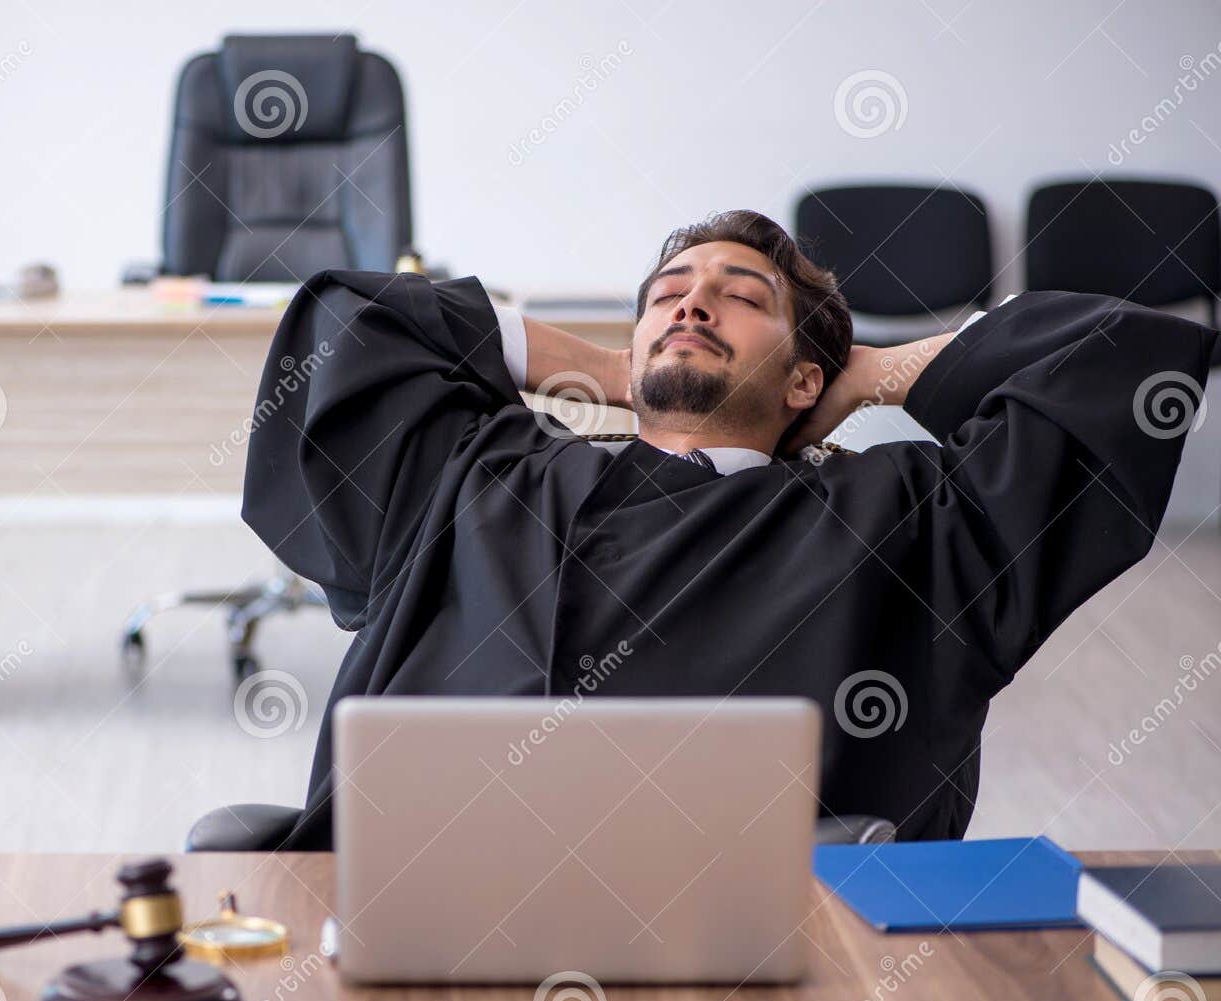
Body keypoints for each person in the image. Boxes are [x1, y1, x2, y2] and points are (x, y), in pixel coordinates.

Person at [241, 209, 1217, 851]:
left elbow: (1115, 356)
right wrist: (620, 368)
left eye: (742, 299)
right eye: (667, 296)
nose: (694, 302)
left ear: (806, 378)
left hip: (779, 976)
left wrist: (870, 370)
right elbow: (347, 318)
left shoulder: (909, 524)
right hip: (428, 931)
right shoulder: (475, 472)